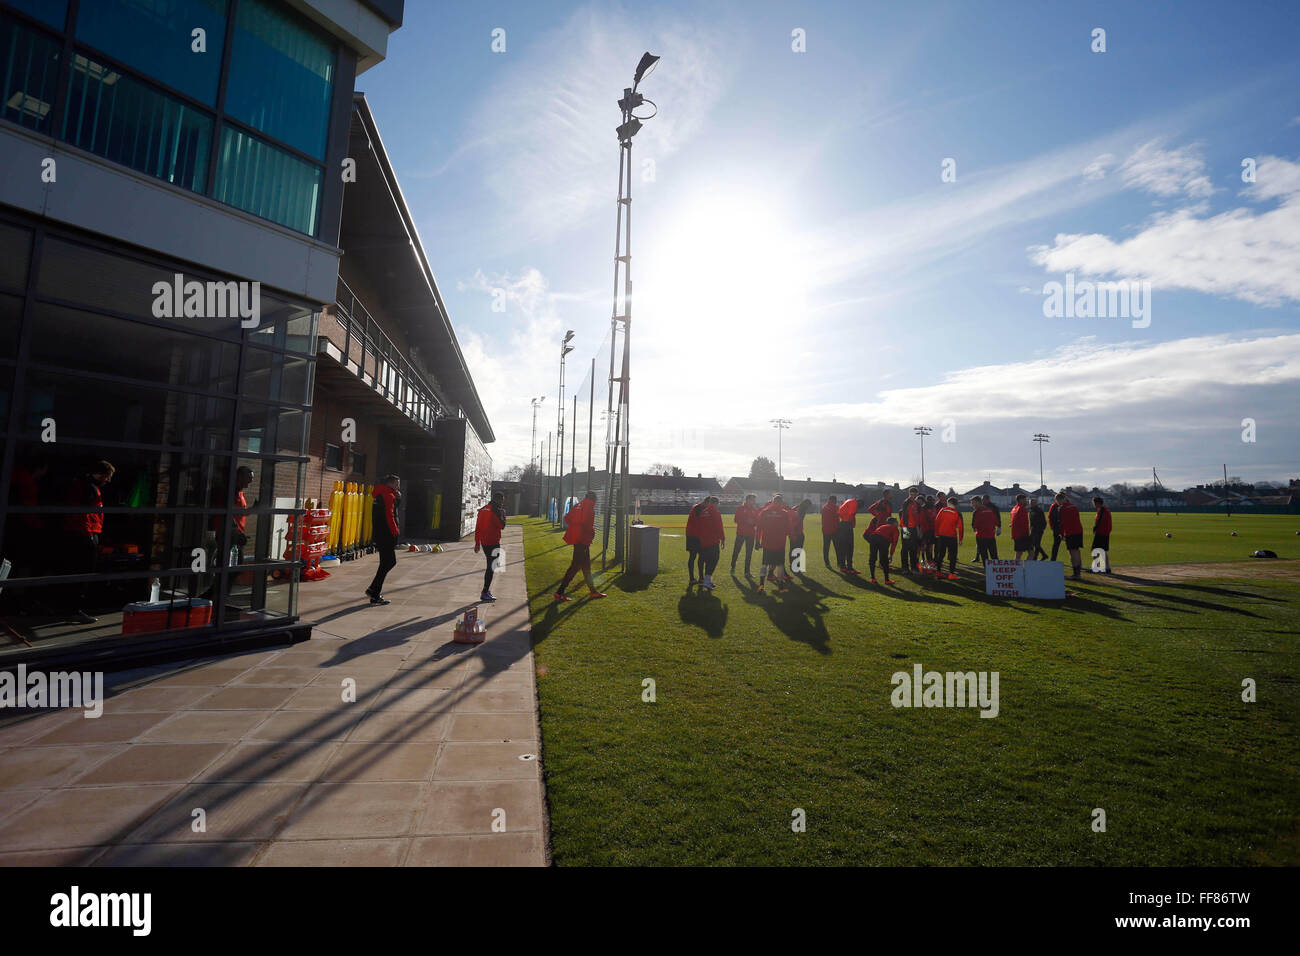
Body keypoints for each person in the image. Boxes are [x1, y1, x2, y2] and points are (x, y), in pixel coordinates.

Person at [63, 459, 114, 624]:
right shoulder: (89, 488)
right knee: (83, 571)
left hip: (80, 531)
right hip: (85, 532)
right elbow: (85, 511)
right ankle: (74, 610)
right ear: (99, 474)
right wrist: (91, 534)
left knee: (76, 570)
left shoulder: (80, 484)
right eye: (107, 476)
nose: (108, 480)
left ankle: (72, 608)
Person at [555, 491, 606, 601]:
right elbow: (587, 524)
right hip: (582, 539)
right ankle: (560, 592)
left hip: (577, 537)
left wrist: (575, 526)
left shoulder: (579, 505)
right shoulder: (590, 508)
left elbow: (567, 518)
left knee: (586, 566)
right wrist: (590, 533)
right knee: (575, 566)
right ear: (594, 499)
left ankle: (593, 591)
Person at [366, 474, 401, 605]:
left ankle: (373, 591)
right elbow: (390, 515)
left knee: (385, 563)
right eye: (397, 484)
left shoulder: (380, 494)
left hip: (380, 533)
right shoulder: (388, 495)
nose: (398, 487)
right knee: (389, 562)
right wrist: (395, 532)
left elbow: (391, 510)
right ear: (390, 483)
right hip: (387, 534)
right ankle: (373, 592)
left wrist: (398, 499)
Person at [756, 494, 793, 593]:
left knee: (764, 564)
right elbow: (789, 528)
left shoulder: (765, 512)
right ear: (781, 503)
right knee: (780, 564)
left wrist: (757, 541)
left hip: (767, 543)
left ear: (772, 501)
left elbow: (759, 527)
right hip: (779, 543)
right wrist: (792, 537)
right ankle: (780, 587)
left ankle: (761, 585)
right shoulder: (784, 513)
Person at [695, 496, 725, 590]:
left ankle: (708, 580)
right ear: (716, 503)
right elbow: (719, 526)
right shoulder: (715, 512)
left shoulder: (703, 512)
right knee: (714, 560)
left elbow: (699, 526)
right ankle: (707, 580)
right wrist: (723, 538)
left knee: (707, 560)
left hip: (703, 540)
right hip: (712, 540)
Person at [933, 495, 963, 580]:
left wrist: (936, 533)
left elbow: (936, 521)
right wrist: (960, 539)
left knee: (941, 554)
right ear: (955, 504)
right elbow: (960, 527)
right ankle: (951, 574)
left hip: (942, 536)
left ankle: (938, 572)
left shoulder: (942, 510)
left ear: (948, 503)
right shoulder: (957, 513)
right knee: (953, 556)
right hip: (952, 537)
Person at [1056, 491, 1084, 580]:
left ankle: (1076, 574)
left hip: (1070, 532)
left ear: (1059, 500)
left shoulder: (1062, 508)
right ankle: (1079, 570)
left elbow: (1062, 523)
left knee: (1072, 552)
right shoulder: (1074, 506)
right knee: (1077, 550)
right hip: (1078, 530)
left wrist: (1061, 534)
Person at [731, 493, 760, 575]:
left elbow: (757, 522)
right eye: (752, 500)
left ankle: (747, 571)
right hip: (741, 533)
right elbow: (736, 520)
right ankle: (732, 567)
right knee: (736, 551)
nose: (753, 501)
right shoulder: (740, 508)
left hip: (751, 534)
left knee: (749, 553)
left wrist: (753, 522)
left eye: (754, 500)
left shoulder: (755, 510)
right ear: (747, 500)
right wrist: (746, 521)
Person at [865, 515, 900, 584]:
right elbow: (894, 543)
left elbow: (875, 533)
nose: (897, 523)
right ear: (893, 523)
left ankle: (873, 578)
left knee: (872, 559)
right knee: (885, 561)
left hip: (873, 538)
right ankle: (887, 580)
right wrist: (891, 555)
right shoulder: (895, 528)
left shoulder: (883, 526)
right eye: (896, 522)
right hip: (882, 540)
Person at [898, 487, 923, 575]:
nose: (913, 496)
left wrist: (918, 529)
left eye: (915, 495)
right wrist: (906, 529)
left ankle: (914, 568)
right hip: (906, 528)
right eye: (911, 494)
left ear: (917, 495)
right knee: (905, 548)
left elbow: (917, 518)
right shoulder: (906, 502)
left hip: (914, 528)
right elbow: (903, 516)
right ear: (909, 494)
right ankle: (905, 568)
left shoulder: (916, 504)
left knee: (914, 548)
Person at [835, 495, 862, 574]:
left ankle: (843, 566)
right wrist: (851, 524)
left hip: (842, 524)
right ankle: (849, 568)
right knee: (849, 547)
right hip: (847, 526)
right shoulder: (854, 503)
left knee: (843, 546)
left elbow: (839, 512)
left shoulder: (848, 501)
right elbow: (851, 514)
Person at [685, 498, 707, 583]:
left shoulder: (697, 507)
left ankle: (700, 577)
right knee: (695, 557)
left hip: (694, 535)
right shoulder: (698, 509)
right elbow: (702, 522)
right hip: (694, 536)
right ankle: (694, 578)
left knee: (699, 557)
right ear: (706, 502)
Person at [971, 497, 998, 564]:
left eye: (973, 503)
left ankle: (987, 571)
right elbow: (996, 521)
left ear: (978, 502)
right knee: (994, 555)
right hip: (991, 536)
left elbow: (974, 526)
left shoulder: (976, 512)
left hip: (981, 536)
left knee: (984, 555)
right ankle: (997, 570)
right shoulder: (990, 510)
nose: (972, 505)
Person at [788, 499, 811, 575]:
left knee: (794, 549)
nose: (808, 508)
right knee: (797, 549)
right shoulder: (801, 510)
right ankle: (795, 565)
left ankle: (793, 564)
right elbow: (797, 521)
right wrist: (795, 532)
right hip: (797, 532)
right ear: (806, 505)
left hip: (794, 532)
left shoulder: (796, 507)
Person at [1091, 496, 1113, 573]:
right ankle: (1106, 567)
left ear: (1097, 503)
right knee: (1103, 550)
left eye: (1094, 502)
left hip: (1101, 533)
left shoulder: (1102, 511)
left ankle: (1097, 567)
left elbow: (1100, 522)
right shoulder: (1104, 510)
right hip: (1104, 532)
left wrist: (1095, 528)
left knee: (1095, 550)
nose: (1093, 504)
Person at [1009, 493, 1031, 561]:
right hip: (1022, 534)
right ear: (1021, 500)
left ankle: (1015, 568)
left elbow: (1014, 521)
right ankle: (1027, 569)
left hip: (1016, 534)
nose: (1026, 501)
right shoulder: (1021, 509)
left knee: (1019, 553)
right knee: (1031, 553)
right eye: (1025, 499)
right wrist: (1027, 534)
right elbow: (1023, 523)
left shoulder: (1014, 509)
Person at [919, 494, 937, 572]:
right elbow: (923, 520)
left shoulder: (933, 507)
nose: (932, 502)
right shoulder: (924, 508)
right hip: (926, 530)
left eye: (932, 500)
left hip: (932, 529)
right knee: (924, 545)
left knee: (930, 546)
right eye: (930, 500)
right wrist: (925, 530)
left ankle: (930, 560)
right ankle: (924, 560)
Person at [820, 495, 839, 565]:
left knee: (826, 547)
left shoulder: (824, 507)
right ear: (834, 500)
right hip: (835, 530)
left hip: (825, 530)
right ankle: (839, 562)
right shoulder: (835, 507)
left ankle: (826, 561)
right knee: (837, 547)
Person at [1047, 495, 1064, 561]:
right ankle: (1053, 559)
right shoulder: (1054, 506)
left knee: (1056, 545)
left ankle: (1053, 559)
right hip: (1057, 528)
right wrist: (1053, 527)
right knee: (1056, 544)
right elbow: (1051, 517)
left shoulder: (1055, 506)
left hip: (1062, 528)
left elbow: (1050, 517)